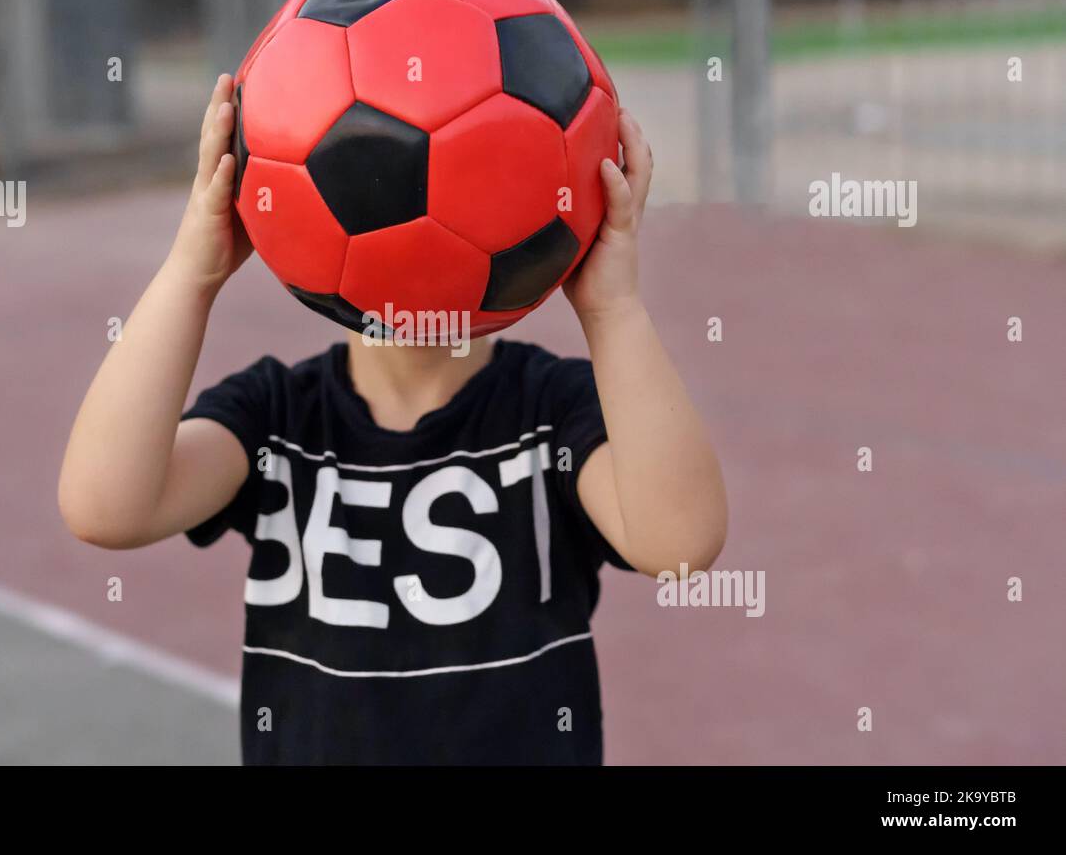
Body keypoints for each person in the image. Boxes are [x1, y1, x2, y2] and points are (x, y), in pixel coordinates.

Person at [58, 74, 727, 764]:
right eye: (383, 180)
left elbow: (679, 543)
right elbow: (105, 507)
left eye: (469, 186)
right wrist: (190, 274)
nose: (422, 220)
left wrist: (612, 309)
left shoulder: (549, 411)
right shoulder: (278, 420)